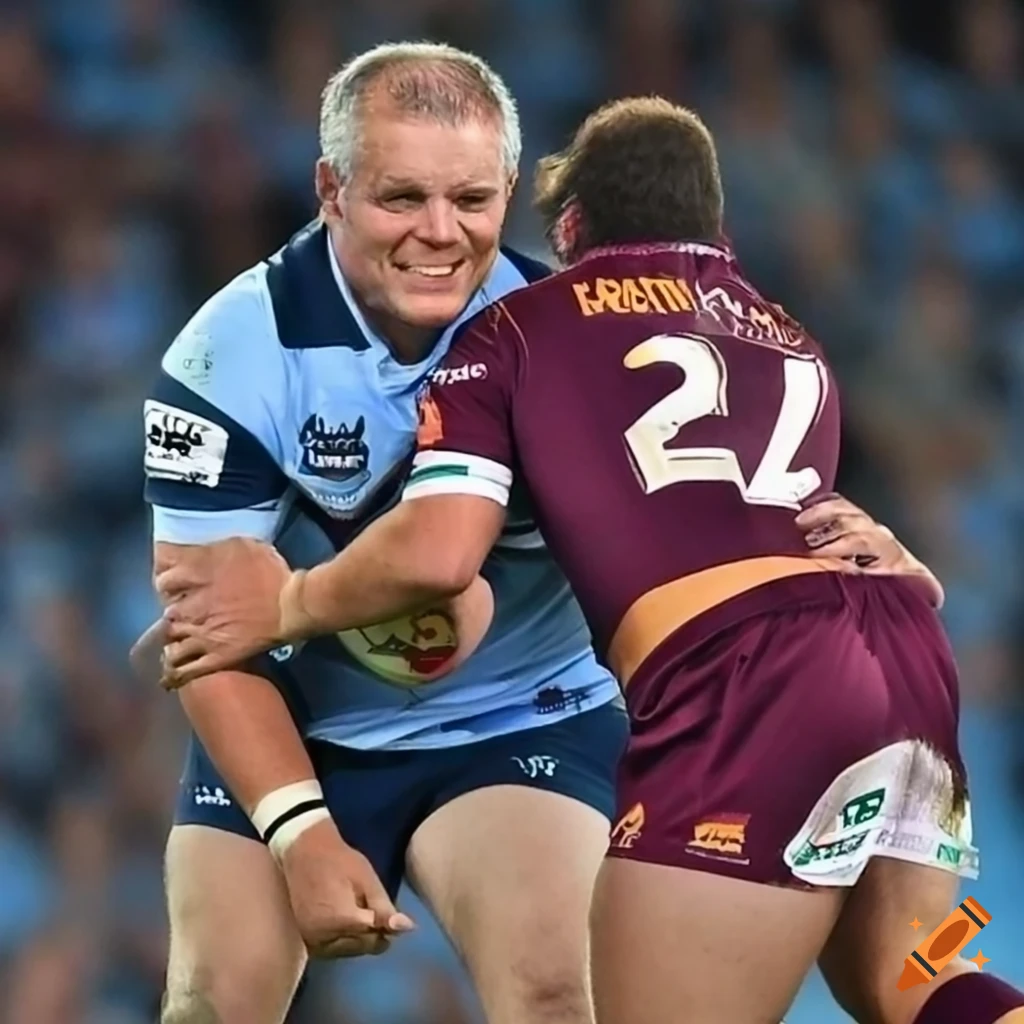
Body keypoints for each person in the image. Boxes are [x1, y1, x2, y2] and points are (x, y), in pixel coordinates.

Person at [158, 98, 1024, 1024]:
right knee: (916, 971)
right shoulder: (785, 335)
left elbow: (439, 552)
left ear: (566, 226)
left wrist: (287, 603)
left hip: (739, 679)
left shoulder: (520, 326)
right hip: (901, 654)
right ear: (717, 229)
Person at [144, 42, 630, 1024]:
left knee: (552, 991)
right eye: (400, 198)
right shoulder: (225, 358)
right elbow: (209, 635)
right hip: (300, 723)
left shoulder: (568, 343)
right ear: (330, 187)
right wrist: (299, 834)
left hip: (519, 715)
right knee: (210, 1002)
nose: (439, 234)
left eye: (473, 200)